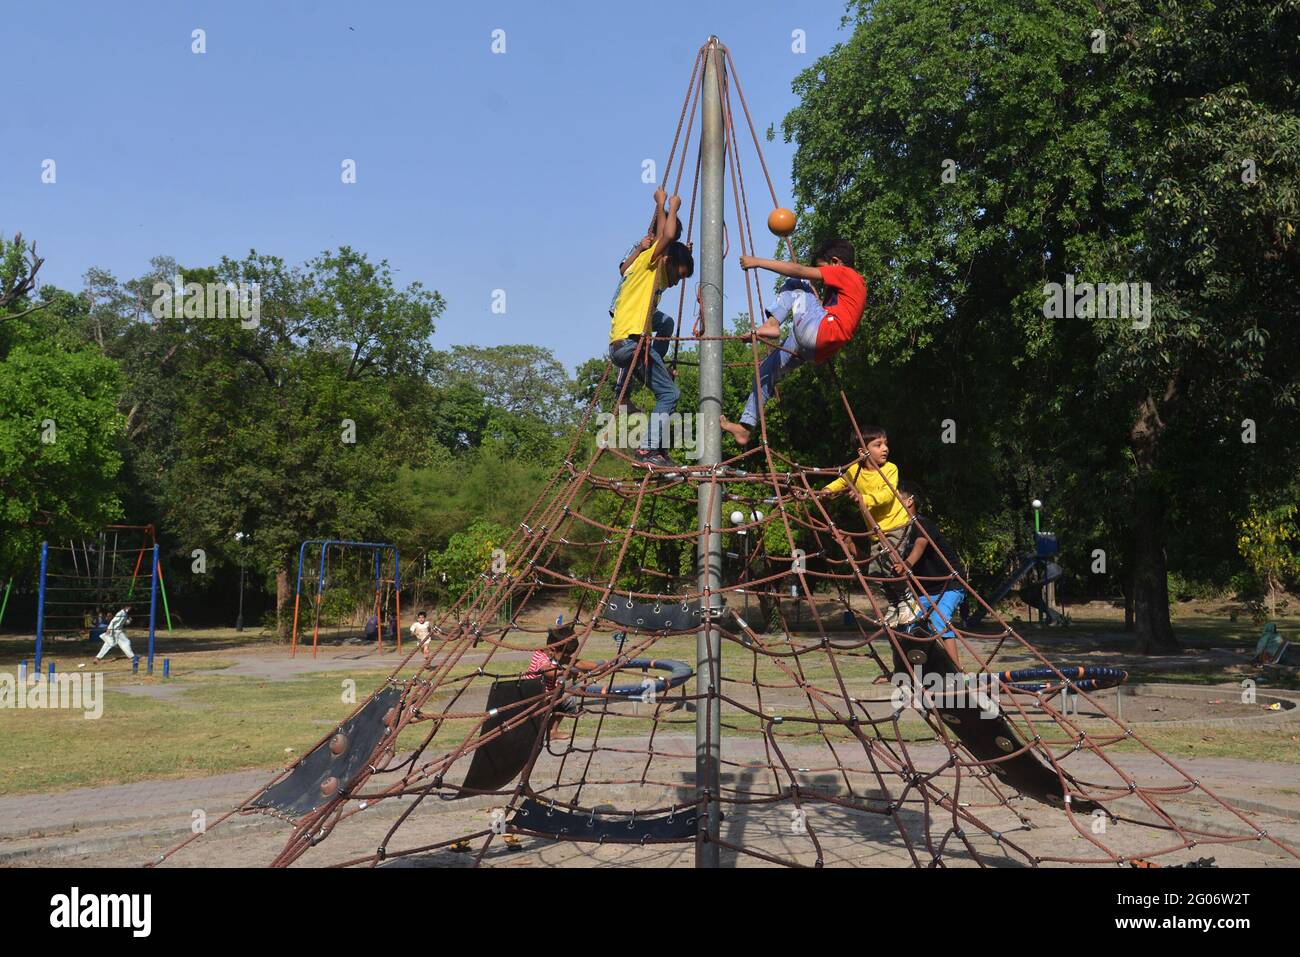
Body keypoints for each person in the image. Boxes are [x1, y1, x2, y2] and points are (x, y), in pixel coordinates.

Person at [720, 237, 867, 447]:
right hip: (816, 348)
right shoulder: (854, 287)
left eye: (820, 269)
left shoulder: (845, 272)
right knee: (766, 371)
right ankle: (745, 427)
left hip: (820, 331)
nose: (820, 275)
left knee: (798, 283)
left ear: (835, 262)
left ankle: (772, 323)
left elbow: (798, 270)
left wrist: (757, 262)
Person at [608, 187, 695, 467]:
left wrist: (684, 254)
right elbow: (665, 236)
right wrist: (667, 204)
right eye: (679, 276)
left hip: (626, 345)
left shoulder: (656, 279)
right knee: (670, 394)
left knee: (666, 325)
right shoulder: (648, 262)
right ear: (666, 259)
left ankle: (654, 449)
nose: (677, 283)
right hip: (632, 344)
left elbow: (671, 244)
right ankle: (647, 450)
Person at [822, 425, 915, 626]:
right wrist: (827, 491)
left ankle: (908, 600)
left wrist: (863, 498)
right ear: (863, 452)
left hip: (896, 524)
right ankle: (894, 604)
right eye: (878, 445)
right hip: (875, 530)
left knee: (891, 562)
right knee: (875, 571)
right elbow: (841, 482)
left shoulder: (890, 469)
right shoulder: (854, 470)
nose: (885, 449)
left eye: (885, 444)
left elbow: (887, 494)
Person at [895, 481, 967, 665]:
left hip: (948, 585)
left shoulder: (923, 524)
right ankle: (922, 671)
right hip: (922, 592)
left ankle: (955, 673)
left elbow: (920, 545)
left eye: (896, 498)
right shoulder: (897, 533)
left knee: (938, 620)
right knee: (909, 629)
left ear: (909, 501)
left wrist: (907, 564)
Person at [523, 626, 598, 741]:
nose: (566, 658)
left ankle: (552, 731)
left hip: (549, 694)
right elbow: (547, 671)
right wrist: (566, 673)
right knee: (567, 701)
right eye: (565, 655)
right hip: (533, 696)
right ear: (552, 650)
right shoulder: (541, 657)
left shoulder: (554, 655)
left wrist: (600, 666)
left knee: (564, 700)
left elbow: (585, 664)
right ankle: (546, 731)